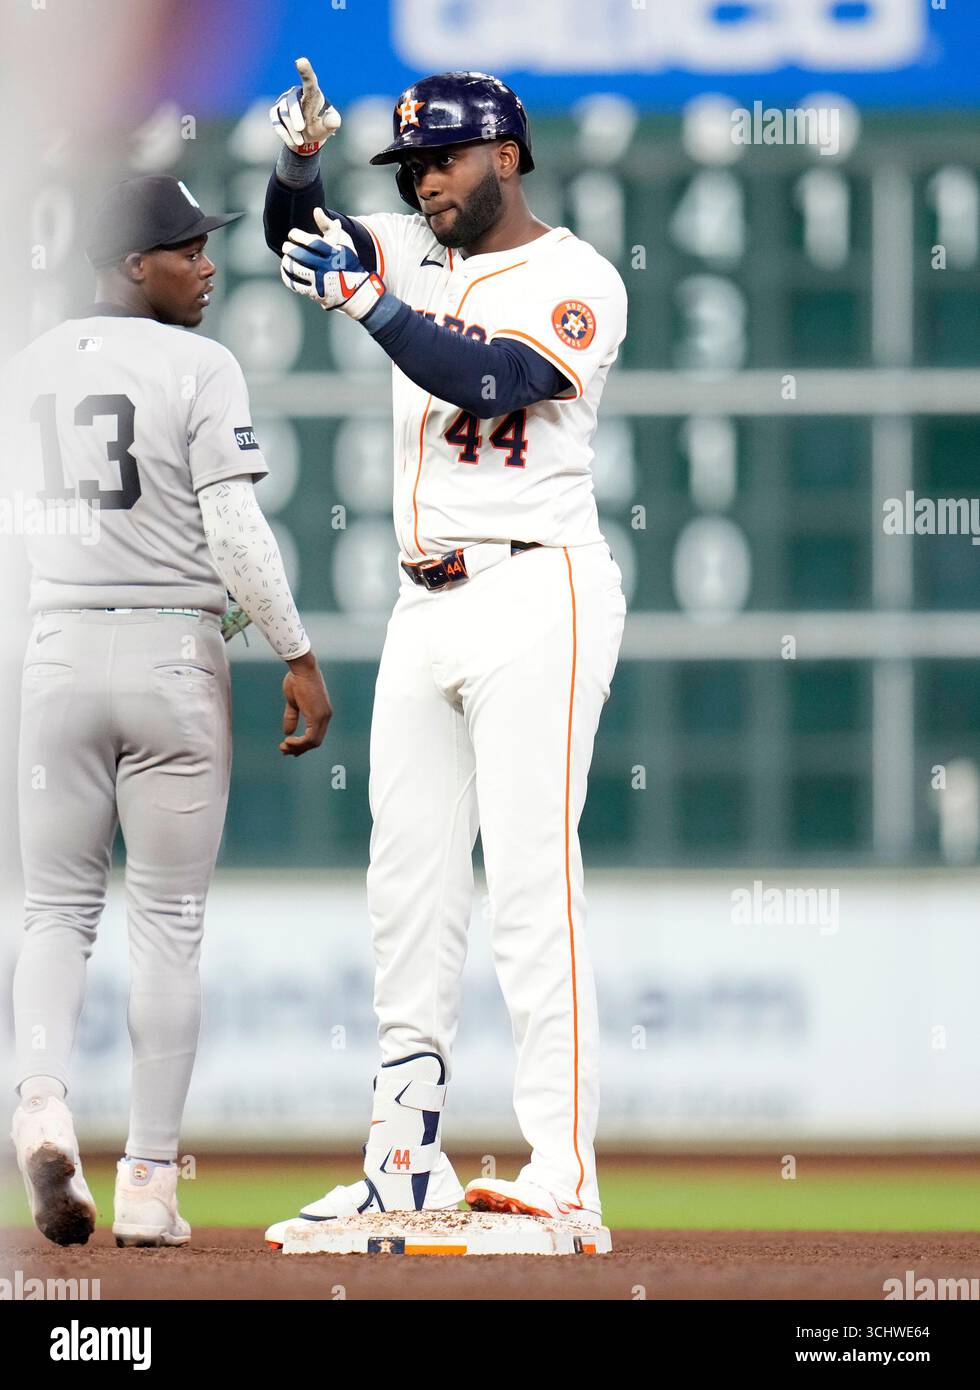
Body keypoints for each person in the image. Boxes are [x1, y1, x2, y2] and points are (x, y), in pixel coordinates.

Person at [262, 61, 627, 1243]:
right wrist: (300, 169)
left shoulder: (575, 275)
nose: (423, 183)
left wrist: (367, 306)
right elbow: (293, 231)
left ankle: (562, 1169)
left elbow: (491, 376)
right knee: (406, 888)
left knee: (529, 882)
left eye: (444, 160)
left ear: (506, 156)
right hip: (424, 602)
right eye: (410, 166)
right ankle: (401, 1161)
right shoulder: (410, 246)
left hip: (538, 585)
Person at [2, 174, 331, 1247]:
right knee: (170, 927)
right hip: (170, 656)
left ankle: (41, 1104)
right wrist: (295, 649)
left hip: (52, 652)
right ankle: (148, 1181)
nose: (206, 263)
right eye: (186, 248)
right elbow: (234, 533)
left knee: (54, 914)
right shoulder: (201, 363)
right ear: (130, 265)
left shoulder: (26, 363)